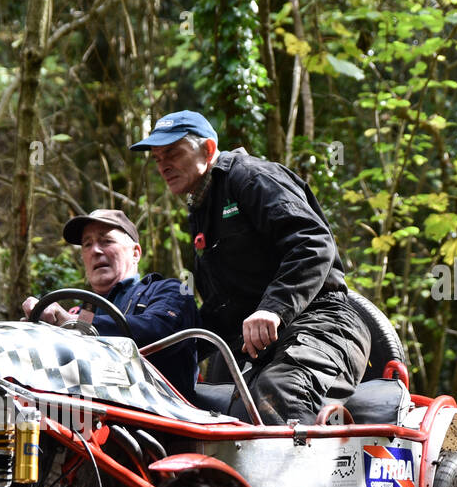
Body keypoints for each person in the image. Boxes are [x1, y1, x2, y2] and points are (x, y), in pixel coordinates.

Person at [130, 111, 369, 424]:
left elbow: (313, 243)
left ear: (208, 149)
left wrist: (273, 308)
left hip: (322, 325)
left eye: (173, 152)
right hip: (267, 347)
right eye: (157, 157)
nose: (163, 164)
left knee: (277, 399)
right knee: (222, 420)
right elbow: (222, 310)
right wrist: (152, 348)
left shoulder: (250, 176)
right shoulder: (203, 209)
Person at [21, 208, 199, 400]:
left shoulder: (170, 290)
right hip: (83, 415)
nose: (95, 251)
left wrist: (74, 325)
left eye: (106, 241)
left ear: (135, 253)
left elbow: (161, 329)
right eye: (87, 244)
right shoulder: (83, 311)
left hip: (160, 417)